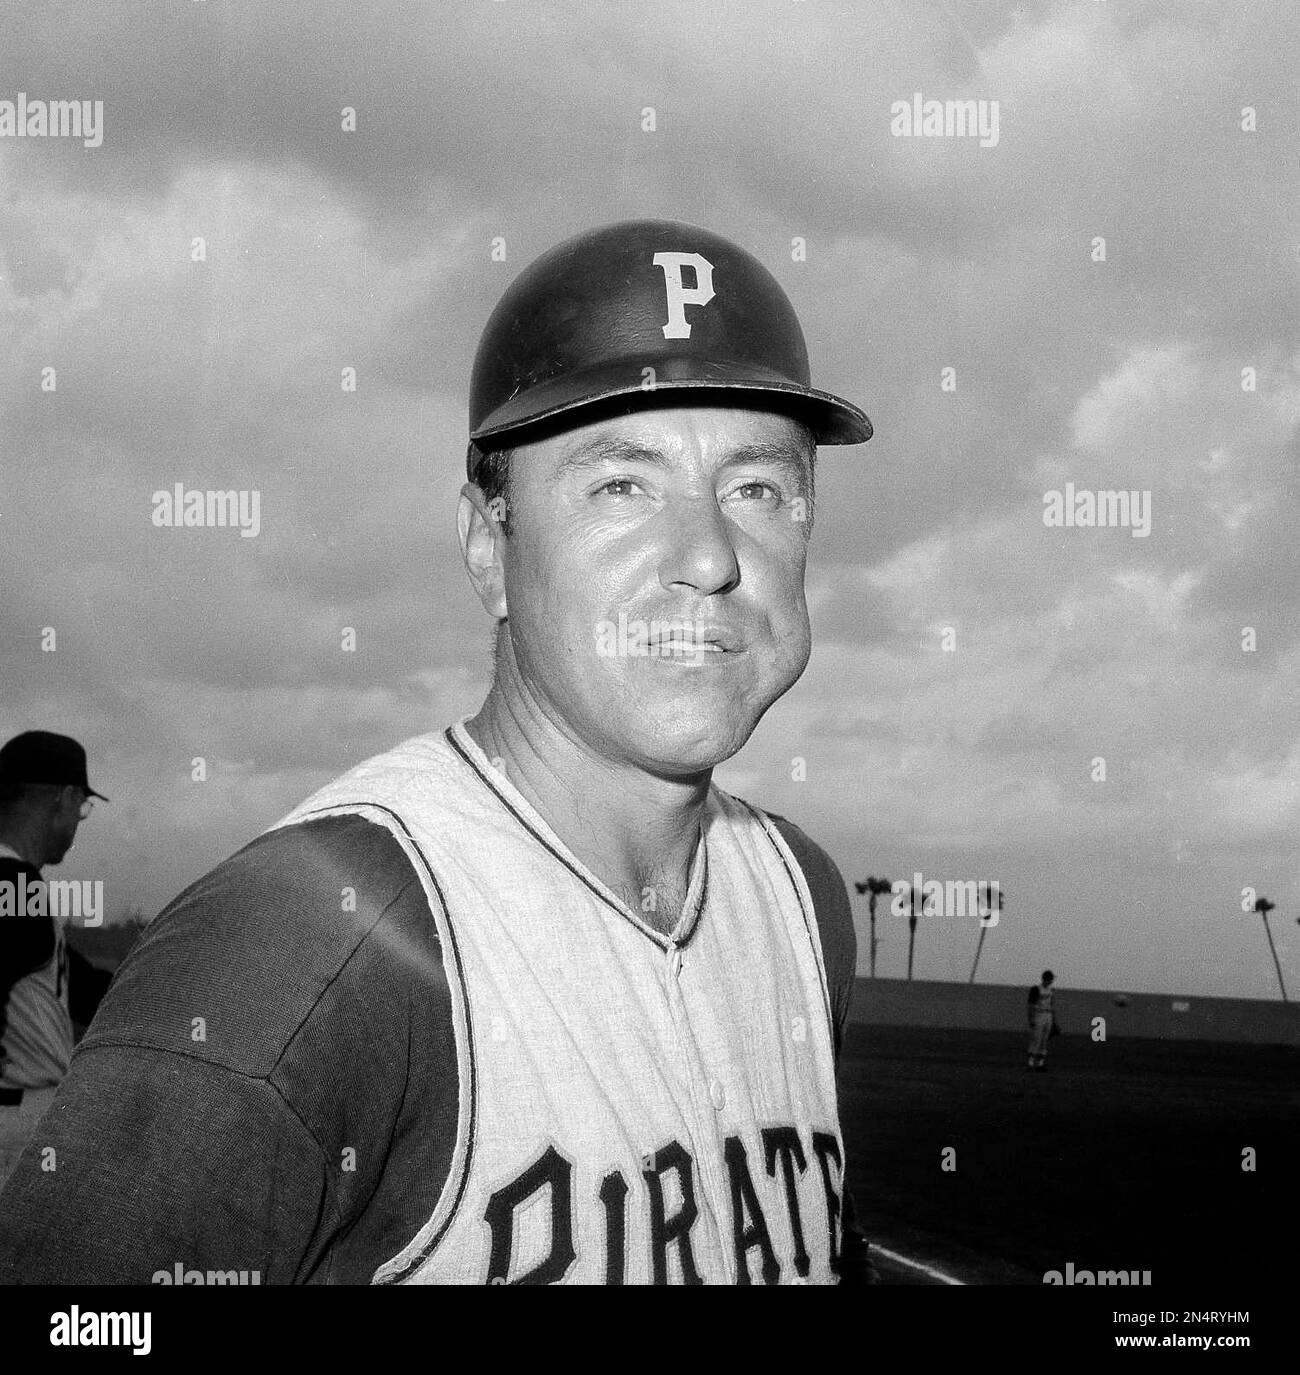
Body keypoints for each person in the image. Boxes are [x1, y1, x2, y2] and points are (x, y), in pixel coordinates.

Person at [0, 219, 874, 1284]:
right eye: (620, 484)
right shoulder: (305, 946)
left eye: (758, 489)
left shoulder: (801, 902)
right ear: (486, 549)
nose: (708, 556)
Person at [0, 731, 112, 1190]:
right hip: (15, 1120)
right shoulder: (13, 887)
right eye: (83, 805)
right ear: (65, 797)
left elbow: (86, 991)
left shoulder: (21, 887)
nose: (80, 819)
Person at [1027, 970, 1057, 1071]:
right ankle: (1030, 1063)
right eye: (1050, 979)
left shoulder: (1051, 990)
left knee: (1044, 1040)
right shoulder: (1036, 989)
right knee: (1036, 1039)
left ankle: (1040, 1064)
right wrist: (1031, 1019)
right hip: (1039, 1014)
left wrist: (1054, 1020)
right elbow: (1030, 1005)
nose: (1052, 981)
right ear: (1046, 979)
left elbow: (1052, 1005)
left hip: (1048, 1015)